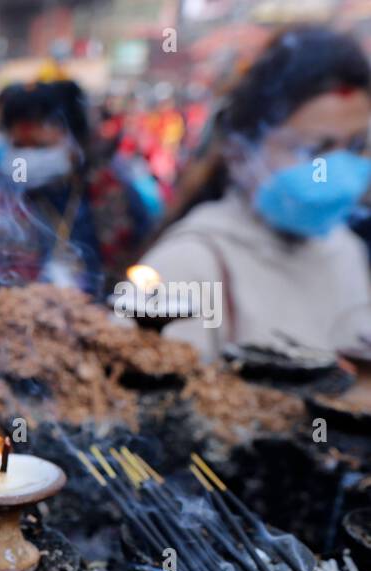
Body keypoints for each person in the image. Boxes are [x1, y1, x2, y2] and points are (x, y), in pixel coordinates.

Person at [141, 27, 371, 359]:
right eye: (315, 149)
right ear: (239, 153)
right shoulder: (186, 266)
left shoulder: (345, 252)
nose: (339, 170)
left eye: (356, 145)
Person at [0, 80, 151, 337]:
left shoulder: (108, 194)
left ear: (74, 143)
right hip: (1, 345)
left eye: (41, 147)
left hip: (89, 340)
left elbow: (137, 267)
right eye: (20, 147)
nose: (29, 157)